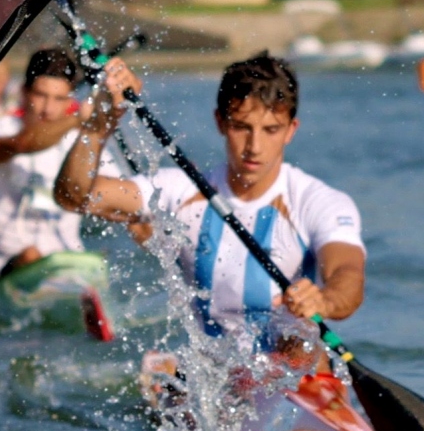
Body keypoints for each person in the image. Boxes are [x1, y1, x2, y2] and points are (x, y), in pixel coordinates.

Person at [55, 51, 364, 348]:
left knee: (294, 346)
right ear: (220, 122)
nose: (255, 147)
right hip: (216, 374)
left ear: (290, 131)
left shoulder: (317, 201)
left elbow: (347, 275)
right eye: (241, 127)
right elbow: (75, 195)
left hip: (292, 371)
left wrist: (324, 300)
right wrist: (99, 123)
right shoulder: (179, 192)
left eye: (271, 130)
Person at [0, 48, 115, 279]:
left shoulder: (82, 140)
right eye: (41, 95)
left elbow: (119, 195)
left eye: (59, 99)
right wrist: (78, 118)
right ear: (24, 92)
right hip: (8, 267)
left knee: (98, 261)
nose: (49, 108)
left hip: (72, 263)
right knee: (30, 255)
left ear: (71, 98)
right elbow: (23, 144)